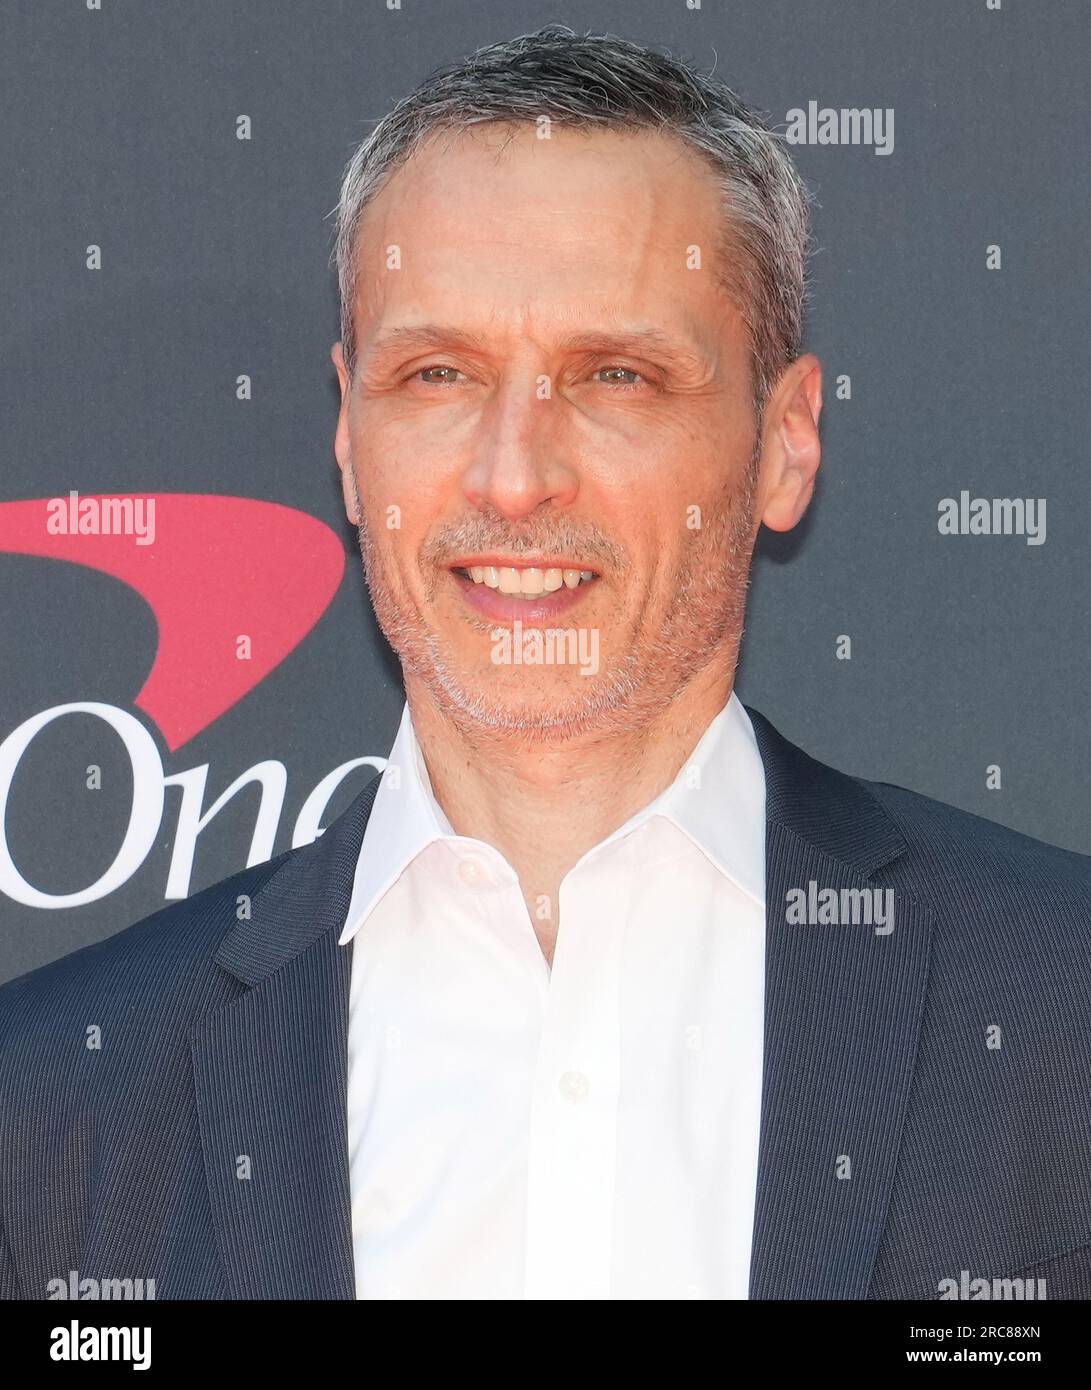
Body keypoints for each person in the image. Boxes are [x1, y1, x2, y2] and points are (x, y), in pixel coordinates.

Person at [2, 24, 1089, 1302]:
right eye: (438, 372)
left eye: (614, 374)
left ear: (784, 443)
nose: (514, 476)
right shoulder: (53, 1103)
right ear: (348, 434)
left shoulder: (1056, 1007)